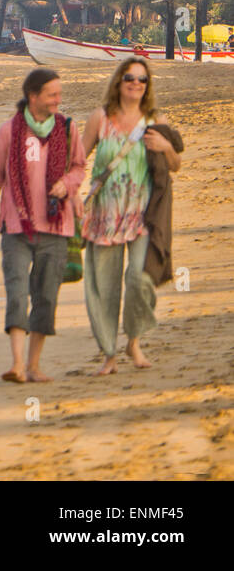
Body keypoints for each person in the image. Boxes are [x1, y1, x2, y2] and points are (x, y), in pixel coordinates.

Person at [0, 68, 87, 384]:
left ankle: (34, 365)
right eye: (52, 94)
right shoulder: (10, 132)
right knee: (17, 292)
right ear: (33, 96)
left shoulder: (67, 128)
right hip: (16, 227)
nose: (57, 100)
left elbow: (79, 166)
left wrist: (67, 183)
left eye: (59, 94)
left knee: (46, 296)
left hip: (56, 226)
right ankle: (17, 363)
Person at [80, 58, 182, 375]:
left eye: (142, 80)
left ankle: (134, 340)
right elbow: (78, 159)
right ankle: (110, 353)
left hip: (143, 216)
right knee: (104, 287)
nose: (136, 84)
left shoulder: (154, 119)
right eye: (129, 78)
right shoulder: (101, 118)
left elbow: (175, 164)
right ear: (118, 82)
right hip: (105, 216)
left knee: (140, 278)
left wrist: (165, 146)